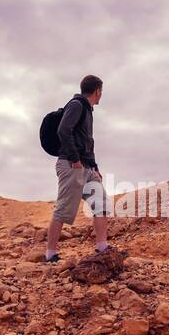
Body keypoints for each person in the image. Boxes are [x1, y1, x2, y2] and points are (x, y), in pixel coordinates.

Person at [45, 74, 109, 262]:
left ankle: (102, 248)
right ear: (97, 91)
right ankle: (50, 254)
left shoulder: (88, 110)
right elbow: (63, 130)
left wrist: (95, 167)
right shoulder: (77, 105)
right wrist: (74, 160)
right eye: (101, 92)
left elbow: (87, 142)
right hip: (71, 165)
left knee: (102, 204)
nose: (101, 95)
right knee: (64, 208)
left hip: (87, 168)